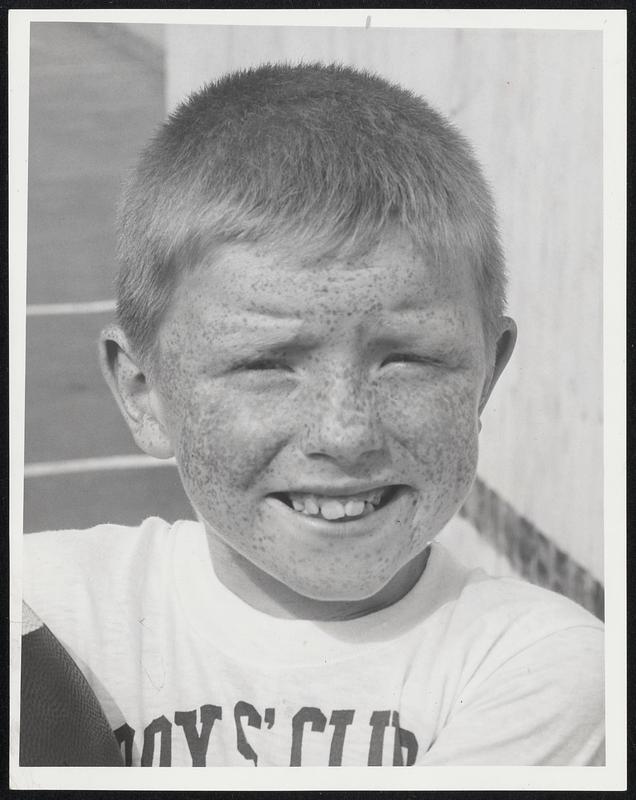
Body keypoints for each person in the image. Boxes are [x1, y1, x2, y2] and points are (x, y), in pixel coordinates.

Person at [23, 62, 604, 767]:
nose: (346, 432)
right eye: (266, 365)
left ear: (488, 374)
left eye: (409, 360)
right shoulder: (42, 608)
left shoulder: (548, 666)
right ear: (144, 394)